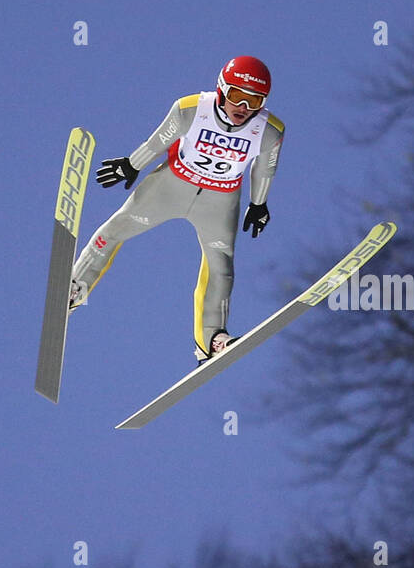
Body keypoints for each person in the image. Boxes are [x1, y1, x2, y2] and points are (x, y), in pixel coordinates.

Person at [68, 56, 285, 364]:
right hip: (171, 185)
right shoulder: (192, 108)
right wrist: (132, 165)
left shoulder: (269, 131)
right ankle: (74, 289)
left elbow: (265, 170)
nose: (244, 108)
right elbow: (160, 139)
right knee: (114, 230)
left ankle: (212, 340)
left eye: (255, 100)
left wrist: (259, 203)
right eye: (237, 95)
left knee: (221, 267)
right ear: (222, 90)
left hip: (219, 201)